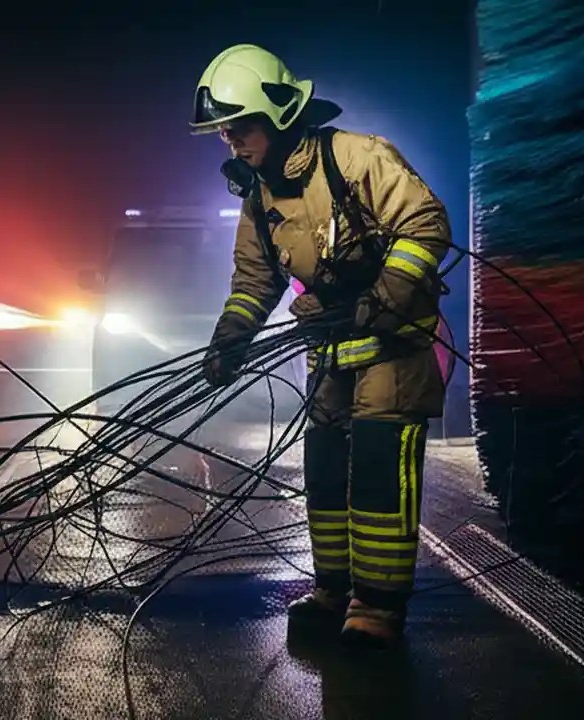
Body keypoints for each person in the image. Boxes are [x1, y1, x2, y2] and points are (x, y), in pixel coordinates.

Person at [191, 44, 451, 645]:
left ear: (280, 114)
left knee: (381, 470)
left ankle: (378, 609)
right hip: (329, 349)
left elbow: (424, 224)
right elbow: (256, 282)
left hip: (394, 345)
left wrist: (385, 296)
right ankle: (334, 589)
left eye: (241, 126)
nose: (231, 141)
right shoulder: (259, 195)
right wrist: (229, 341)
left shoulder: (358, 158)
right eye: (224, 131)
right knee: (326, 471)